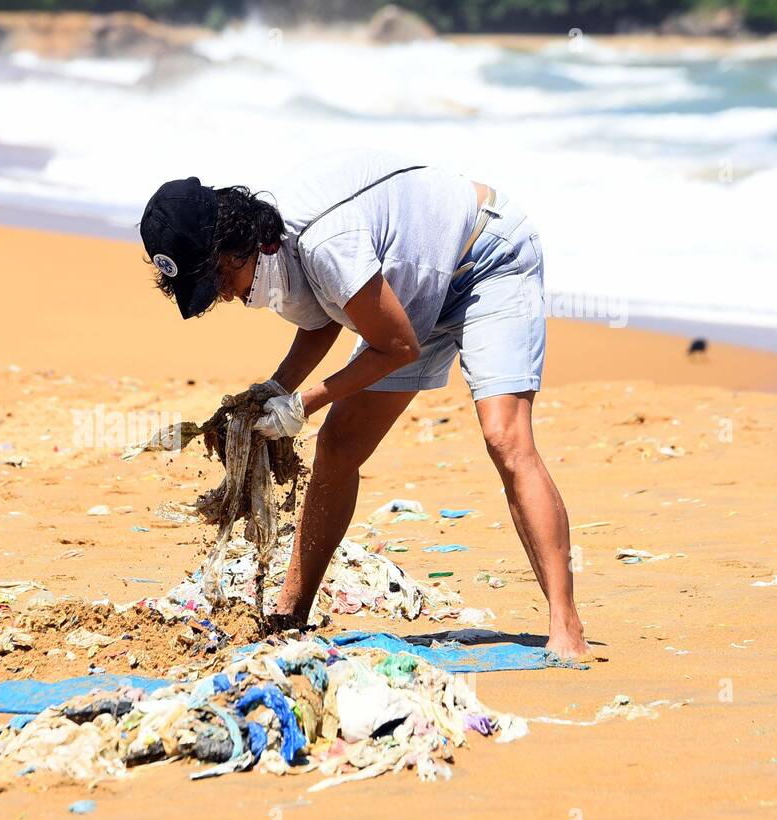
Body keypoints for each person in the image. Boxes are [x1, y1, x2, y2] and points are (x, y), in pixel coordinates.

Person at [139, 149, 589, 659]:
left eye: (217, 280)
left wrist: (303, 403)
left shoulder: (322, 241)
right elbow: (325, 315)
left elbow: (396, 348)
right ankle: (291, 614)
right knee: (339, 445)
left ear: (235, 245)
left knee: (504, 436)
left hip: (486, 260)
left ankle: (565, 623)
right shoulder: (274, 252)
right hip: (413, 294)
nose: (221, 295)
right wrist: (273, 390)